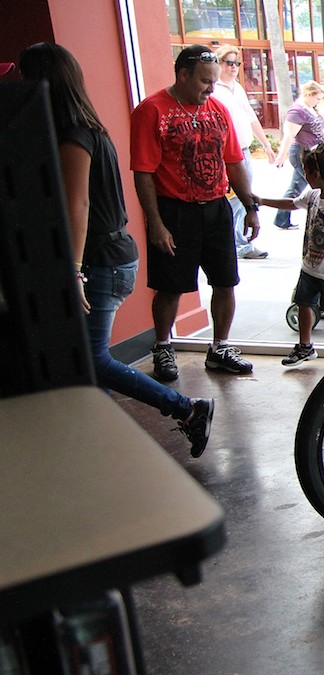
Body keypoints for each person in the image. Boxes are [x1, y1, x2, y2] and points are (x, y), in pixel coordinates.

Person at [20, 43, 214, 457]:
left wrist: (72, 271)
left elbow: (78, 204)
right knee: (88, 366)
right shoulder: (88, 127)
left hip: (102, 263)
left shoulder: (73, 135)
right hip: (111, 258)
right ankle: (107, 443)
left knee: (92, 361)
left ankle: (189, 409)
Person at [130, 44, 260, 381]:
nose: (210, 88)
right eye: (204, 81)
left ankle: (219, 348)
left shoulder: (218, 109)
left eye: (214, 81)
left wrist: (250, 206)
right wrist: (155, 223)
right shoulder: (151, 111)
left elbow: (234, 162)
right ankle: (163, 346)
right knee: (171, 287)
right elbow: (143, 173)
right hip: (174, 211)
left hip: (216, 207)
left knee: (226, 282)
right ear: (183, 75)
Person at [254, 144, 324, 365]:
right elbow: (292, 204)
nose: (304, 175)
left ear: (316, 174)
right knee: (303, 303)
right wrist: (262, 201)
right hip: (310, 267)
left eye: (305, 171)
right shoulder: (313, 195)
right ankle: (305, 346)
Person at [212, 45, 273, 259]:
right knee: (236, 198)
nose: (233, 67)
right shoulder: (214, 91)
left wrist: (266, 144)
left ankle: (238, 242)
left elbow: (251, 117)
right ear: (218, 63)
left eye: (237, 63)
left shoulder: (236, 87)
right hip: (227, 154)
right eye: (229, 63)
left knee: (243, 198)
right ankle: (239, 244)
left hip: (244, 150)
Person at [272, 80, 324, 229]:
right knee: (318, 185)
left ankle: (282, 218)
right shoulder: (297, 111)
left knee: (295, 188)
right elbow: (289, 135)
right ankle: (322, 217)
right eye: (317, 98)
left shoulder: (310, 108)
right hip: (302, 152)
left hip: (312, 151)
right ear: (308, 94)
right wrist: (282, 156)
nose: (318, 102)